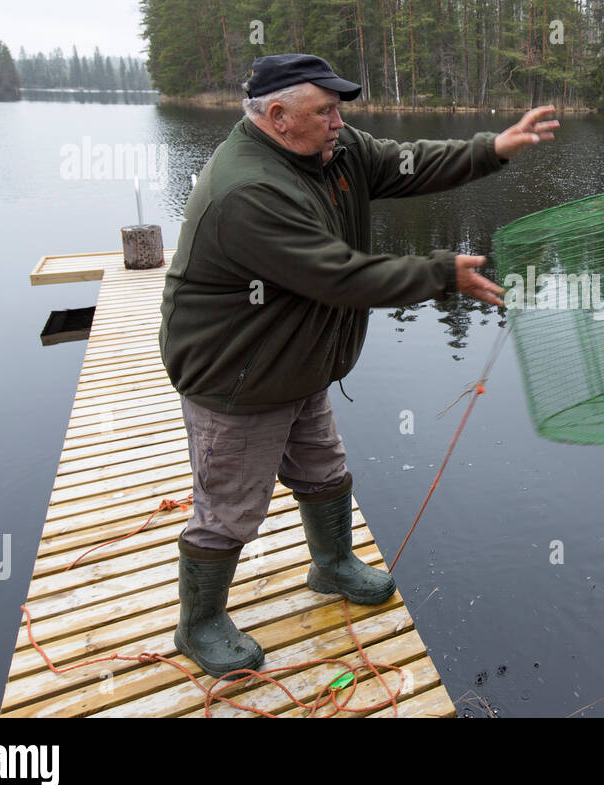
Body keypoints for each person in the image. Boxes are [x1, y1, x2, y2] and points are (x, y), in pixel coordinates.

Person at [157, 53, 558, 677]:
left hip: (298, 362)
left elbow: (407, 161)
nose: (339, 121)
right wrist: (440, 274)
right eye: (325, 110)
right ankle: (199, 624)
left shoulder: (329, 149)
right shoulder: (249, 190)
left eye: (338, 108)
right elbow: (339, 275)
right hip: (237, 374)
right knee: (229, 511)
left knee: (324, 470)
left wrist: (493, 148)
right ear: (280, 116)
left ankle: (332, 564)